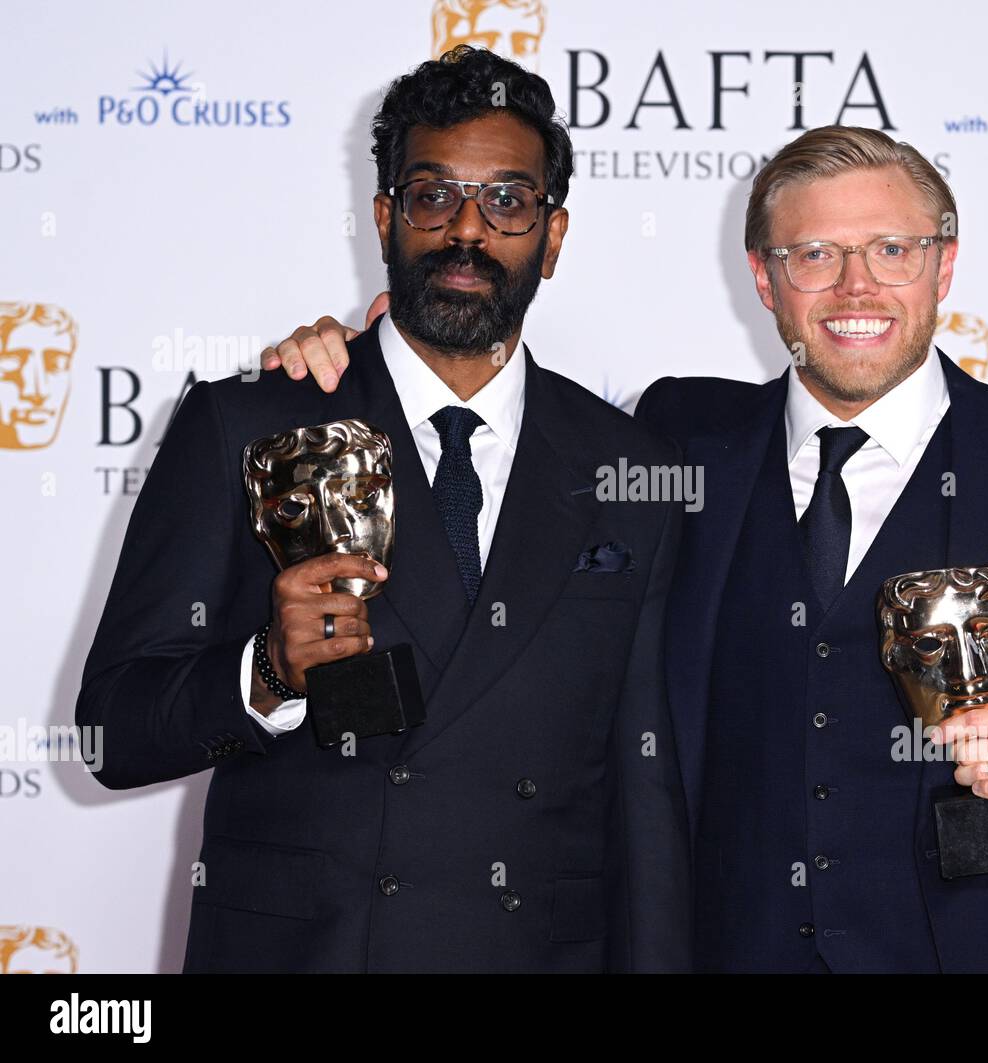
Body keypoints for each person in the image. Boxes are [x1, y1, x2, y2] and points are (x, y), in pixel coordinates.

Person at [262, 125, 988, 973]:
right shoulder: (679, 441)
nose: (857, 287)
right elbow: (482, 396)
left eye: (891, 249)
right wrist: (361, 364)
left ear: (944, 265)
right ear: (764, 280)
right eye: (814, 254)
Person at [77, 46, 691, 973]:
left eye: (509, 201)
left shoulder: (628, 464)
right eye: (434, 195)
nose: (467, 231)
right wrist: (267, 674)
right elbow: (114, 731)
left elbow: (643, 793)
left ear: (553, 237)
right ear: (386, 217)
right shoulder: (250, 419)